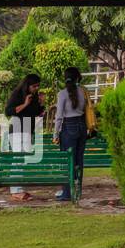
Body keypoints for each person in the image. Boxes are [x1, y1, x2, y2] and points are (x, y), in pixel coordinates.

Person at [4, 74, 44, 201]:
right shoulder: (17, 94)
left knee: (22, 160)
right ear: (27, 85)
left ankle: (18, 188)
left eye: (37, 86)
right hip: (17, 130)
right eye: (34, 86)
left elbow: (35, 112)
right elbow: (8, 111)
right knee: (17, 159)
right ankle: (16, 190)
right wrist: (25, 103)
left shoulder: (34, 96)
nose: (36, 88)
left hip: (27, 130)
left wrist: (41, 104)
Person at [52, 67, 89, 202]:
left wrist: (55, 134)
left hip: (69, 127)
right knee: (79, 159)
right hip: (81, 126)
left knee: (68, 160)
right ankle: (78, 190)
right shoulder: (83, 92)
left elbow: (59, 116)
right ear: (77, 77)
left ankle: (67, 192)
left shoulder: (62, 94)